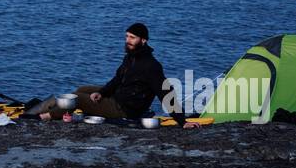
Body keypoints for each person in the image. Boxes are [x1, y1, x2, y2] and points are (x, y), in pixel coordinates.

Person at [30, 22, 200, 128]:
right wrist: (102, 93)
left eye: (132, 38)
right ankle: (55, 110)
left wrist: (182, 121)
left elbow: (166, 93)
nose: (128, 40)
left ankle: (46, 116)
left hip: (125, 110)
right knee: (84, 89)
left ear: (143, 40)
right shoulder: (130, 57)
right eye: (126, 36)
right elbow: (117, 79)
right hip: (117, 97)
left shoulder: (151, 66)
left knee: (78, 98)